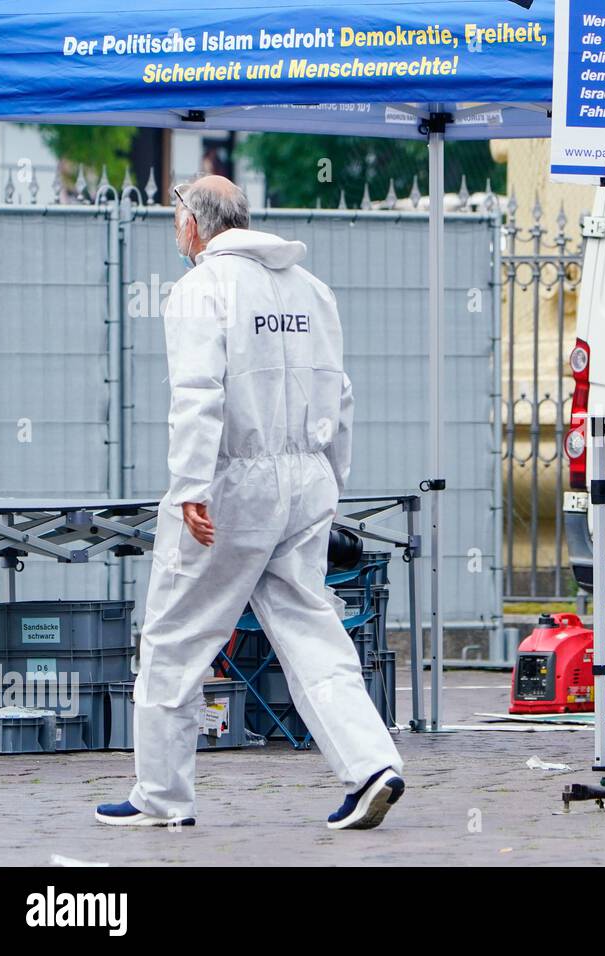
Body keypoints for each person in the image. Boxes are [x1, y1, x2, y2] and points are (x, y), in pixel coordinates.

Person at [95, 176, 404, 830]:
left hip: (232, 481)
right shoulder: (311, 289)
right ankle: (371, 762)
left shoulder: (200, 290)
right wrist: (331, 481)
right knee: (312, 630)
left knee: (175, 639)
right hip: (306, 477)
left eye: (176, 216)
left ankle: (162, 796)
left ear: (192, 223)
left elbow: (198, 397)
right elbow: (339, 396)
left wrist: (190, 488)